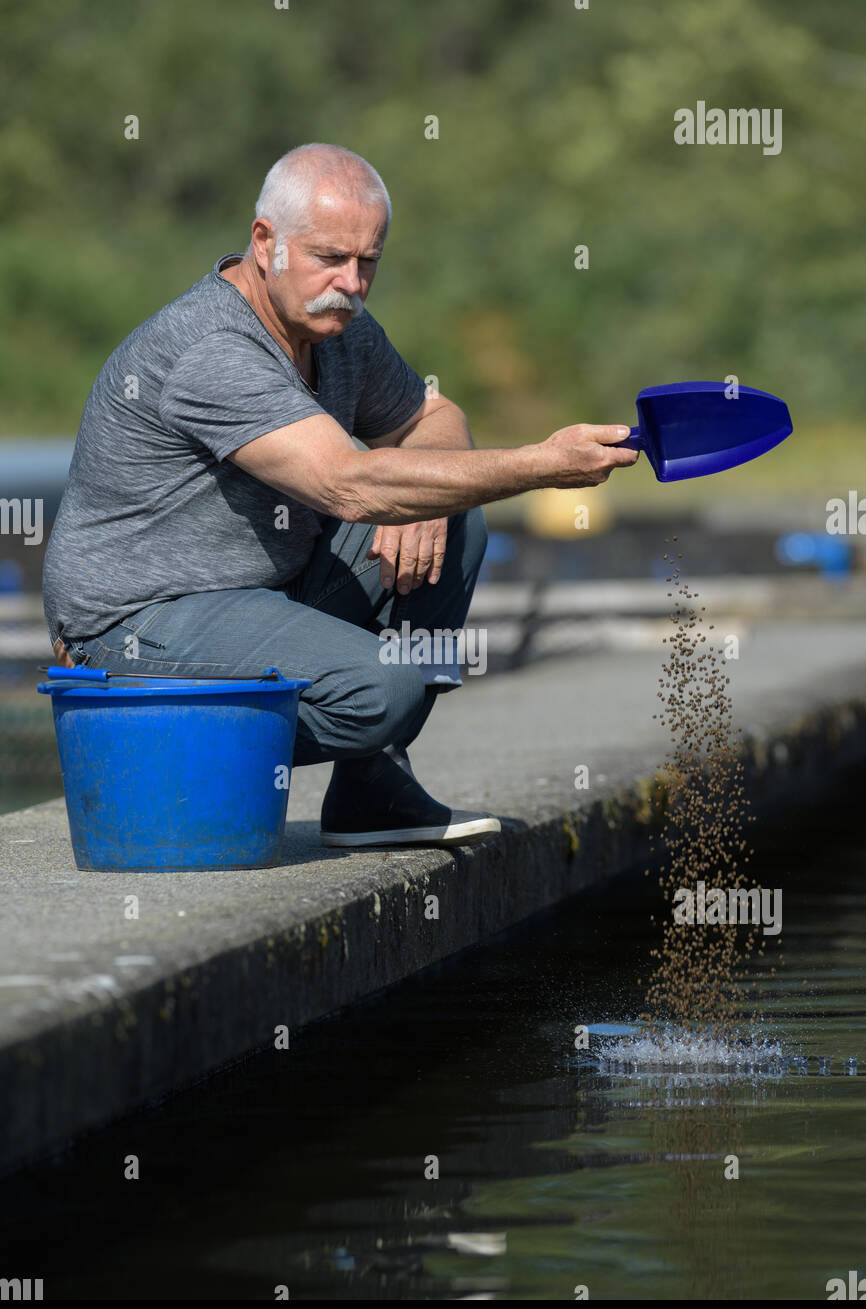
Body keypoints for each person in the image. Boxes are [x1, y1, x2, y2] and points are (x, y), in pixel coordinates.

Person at [42, 143, 638, 848]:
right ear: (266, 243)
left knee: (458, 522)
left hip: (259, 590)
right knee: (383, 691)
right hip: (133, 624)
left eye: (369, 262)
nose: (351, 283)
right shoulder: (212, 349)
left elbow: (432, 417)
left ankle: (372, 794)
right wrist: (543, 464)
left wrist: (432, 495)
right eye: (329, 257)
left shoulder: (338, 327)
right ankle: (170, 751)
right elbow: (345, 484)